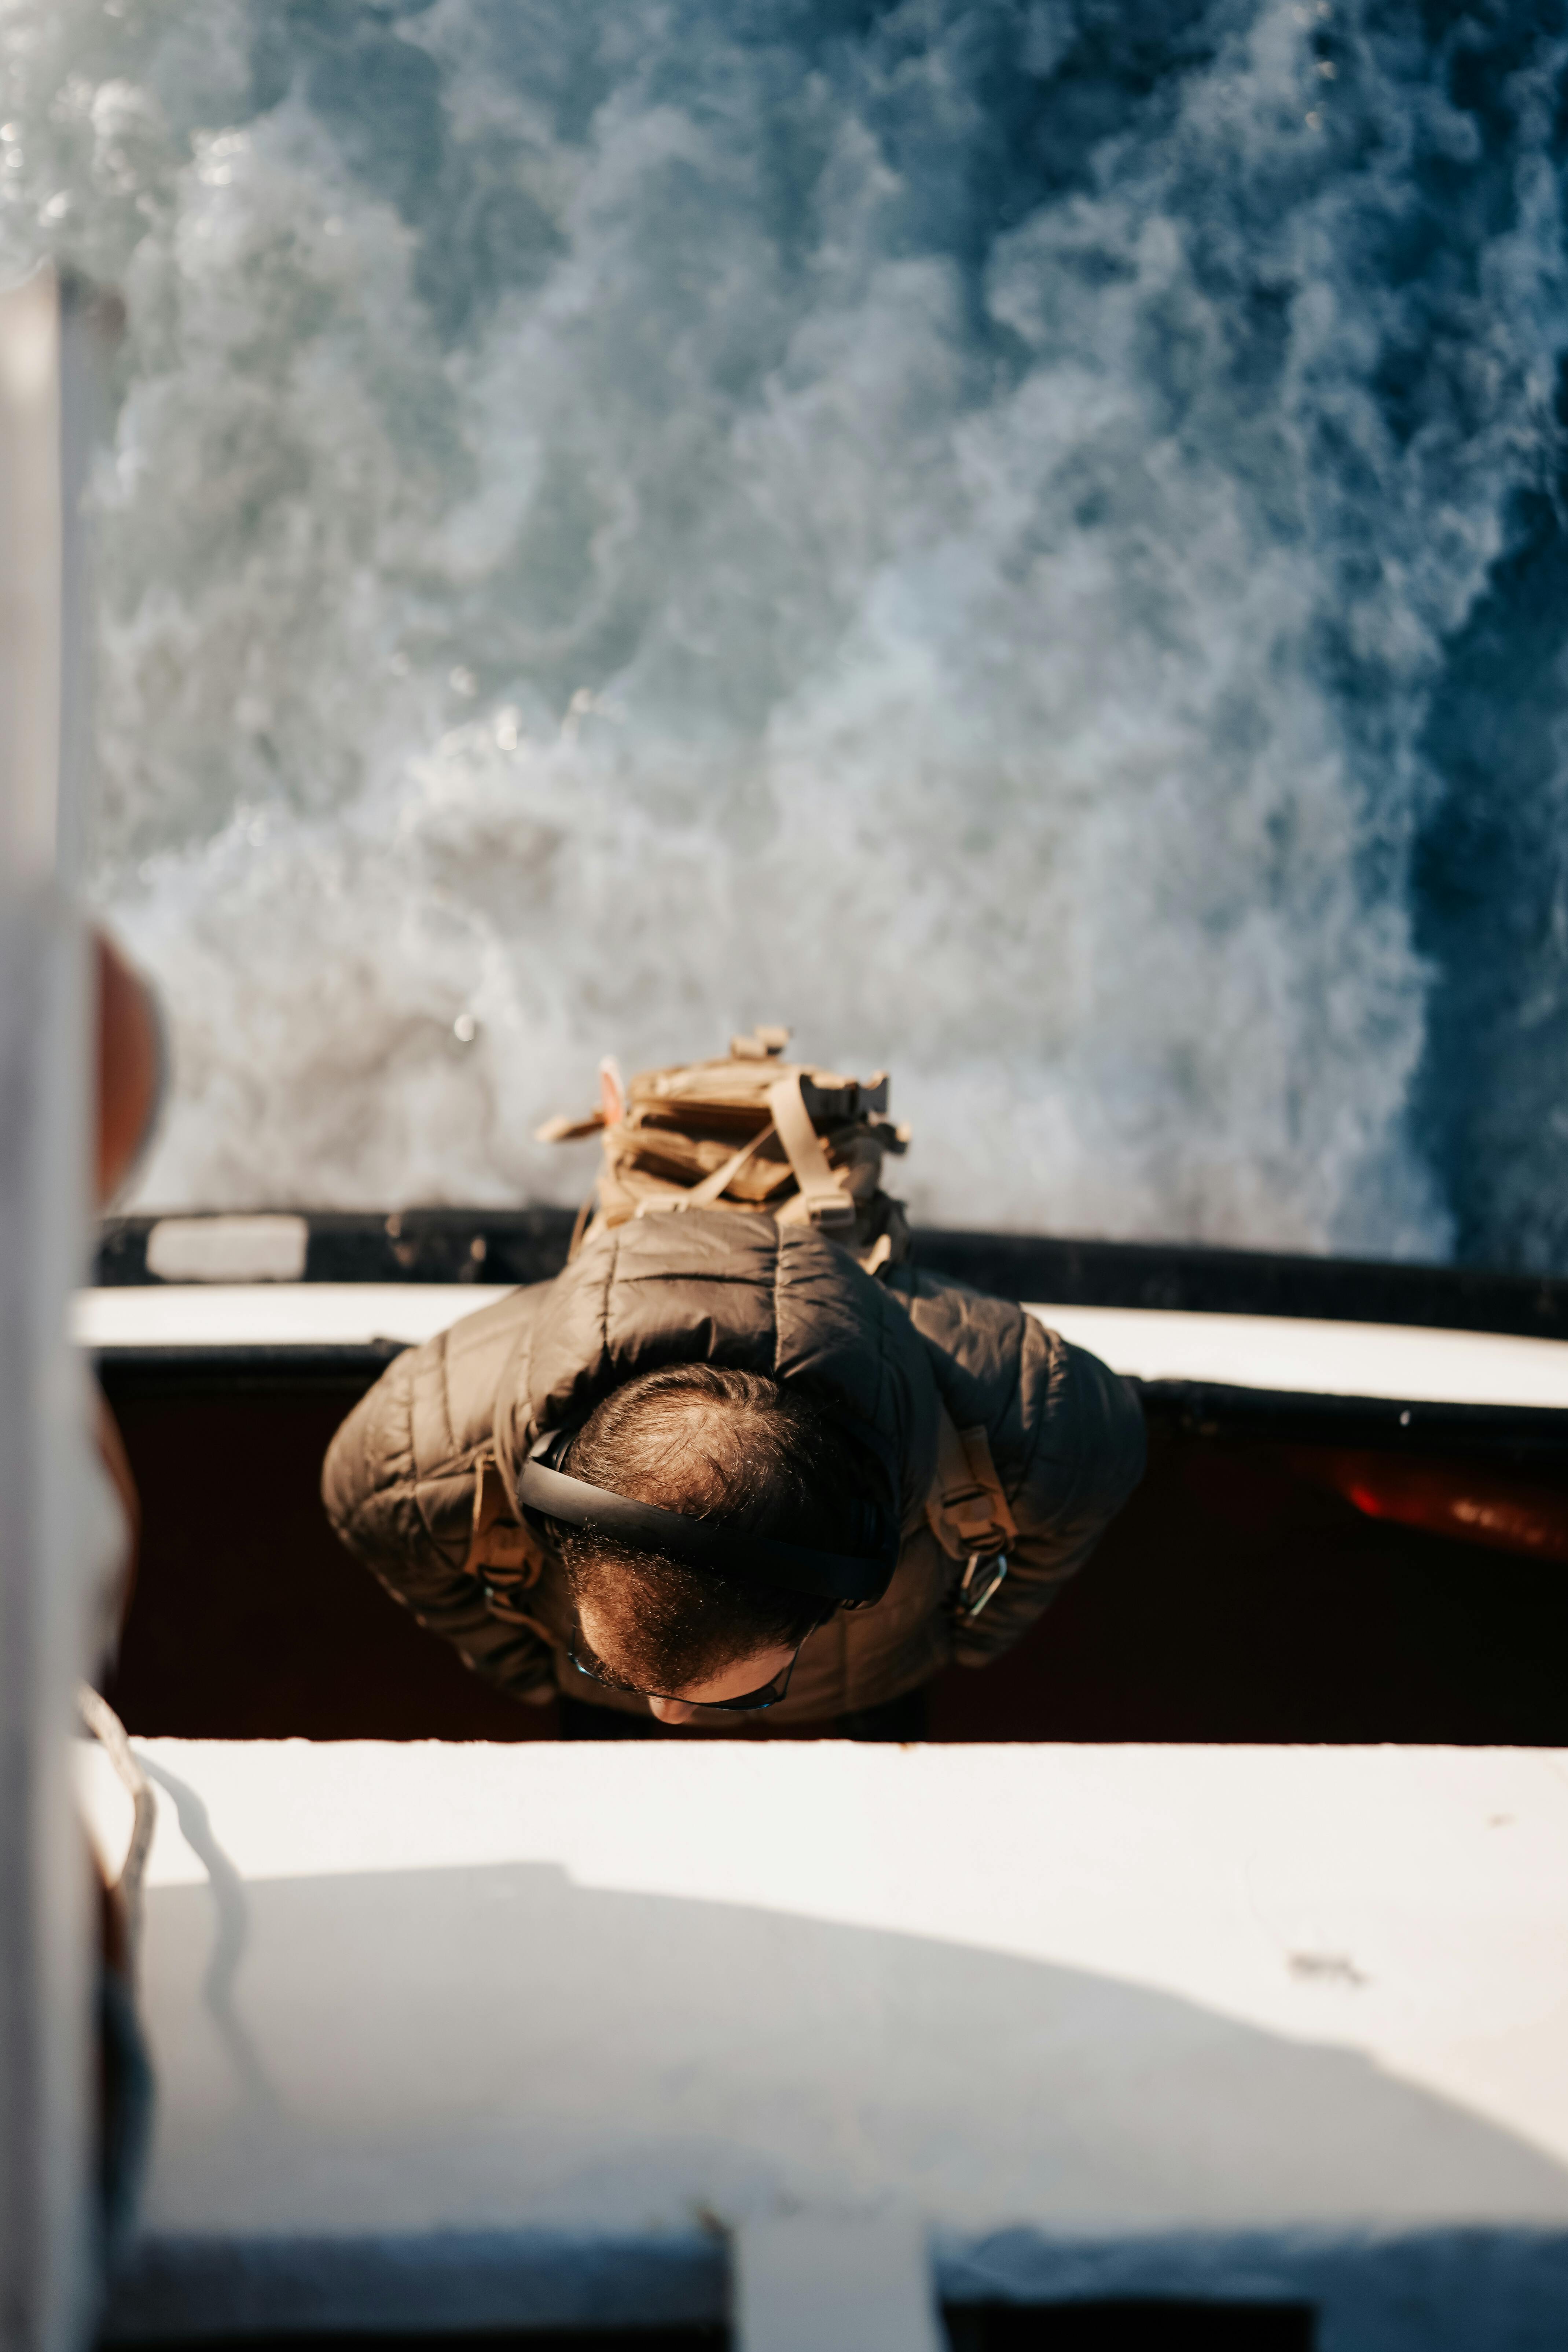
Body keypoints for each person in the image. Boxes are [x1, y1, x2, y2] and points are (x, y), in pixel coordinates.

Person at [322, 1209, 1144, 1736]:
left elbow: (1107, 1451)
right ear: (552, 1499)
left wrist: (963, 1642)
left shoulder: (1032, 1421)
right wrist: (531, 1669)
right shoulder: (415, 1451)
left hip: (869, 1683)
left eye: (748, 1693)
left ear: (859, 1562)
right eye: (605, 1661)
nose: (668, 1717)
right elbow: (357, 1496)